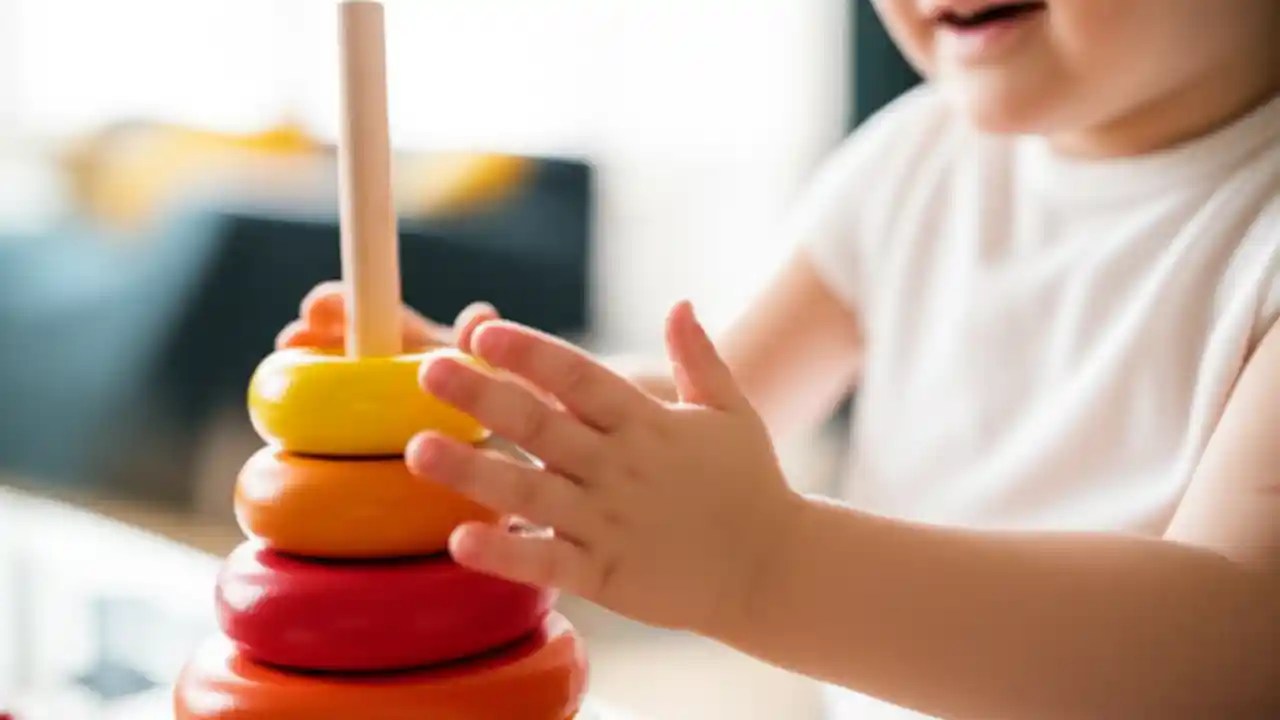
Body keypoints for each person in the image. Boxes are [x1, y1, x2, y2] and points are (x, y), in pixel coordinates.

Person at [278, 1, 1280, 717]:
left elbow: (1231, 640)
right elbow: (702, 412)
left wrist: (764, 565)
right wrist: (490, 396)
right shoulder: (911, 160)